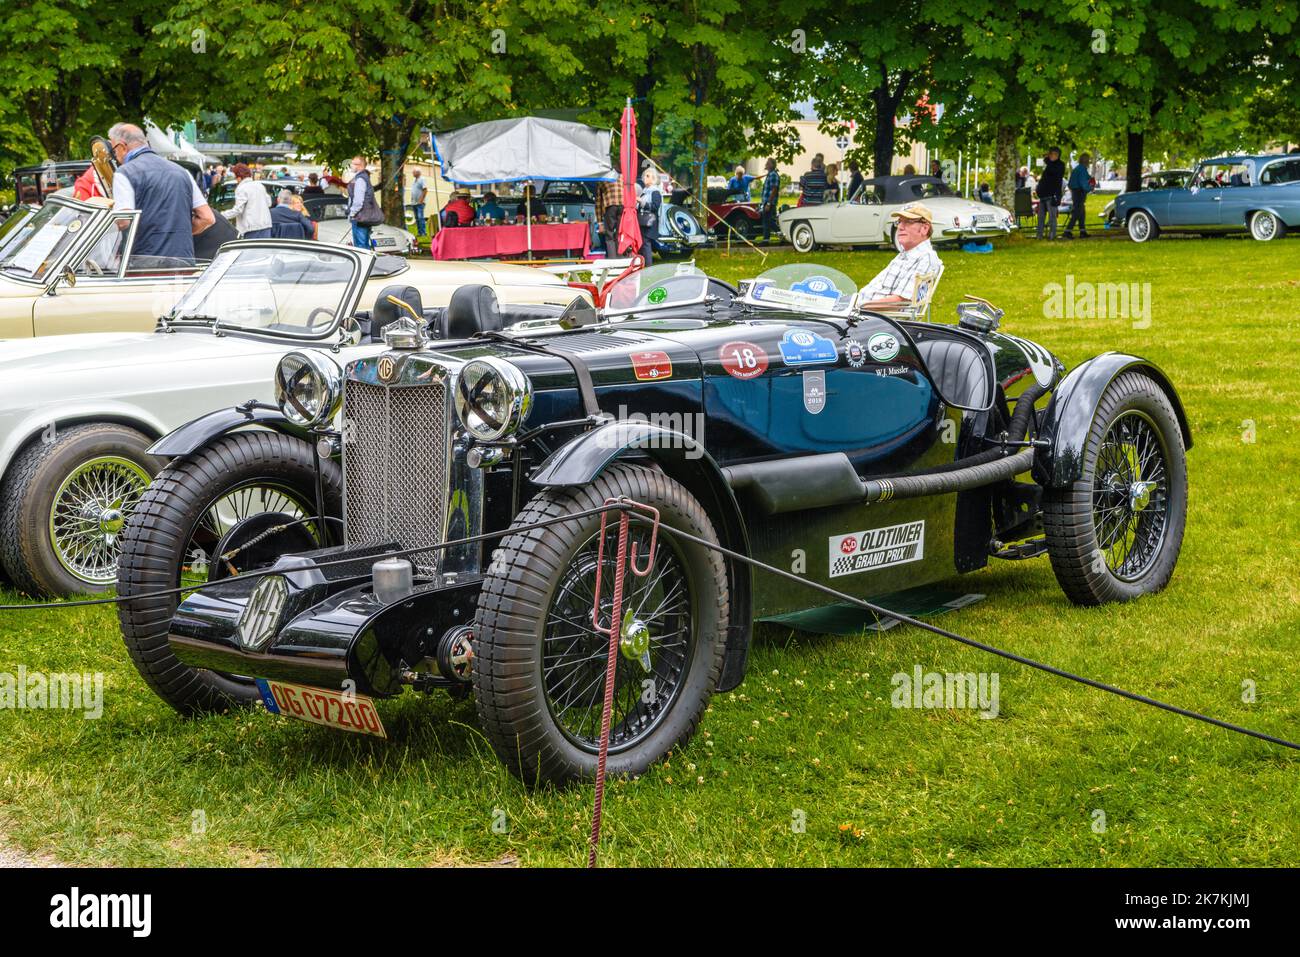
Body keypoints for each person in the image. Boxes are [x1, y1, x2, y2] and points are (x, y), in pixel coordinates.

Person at [107, 122, 215, 260]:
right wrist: (177, 234)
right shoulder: (182, 172)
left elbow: (123, 221)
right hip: (183, 260)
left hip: (143, 264)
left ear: (122, 147)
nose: (115, 156)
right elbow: (207, 218)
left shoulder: (124, 173)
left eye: (114, 151)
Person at [856, 203, 943, 309]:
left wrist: (856, 307)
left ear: (924, 228)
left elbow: (899, 302)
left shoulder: (926, 258)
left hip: (875, 318)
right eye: (899, 222)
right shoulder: (906, 254)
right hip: (863, 312)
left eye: (908, 222)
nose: (900, 227)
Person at [229, 162, 272, 238]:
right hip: (266, 225)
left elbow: (238, 210)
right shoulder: (260, 185)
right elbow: (269, 203)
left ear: (239, 177)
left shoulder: (241, 188)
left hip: (251, 228)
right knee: (264, 249)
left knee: (250, 250)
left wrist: (221, 215)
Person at [345, 156, 378, 249]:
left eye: (353, 163)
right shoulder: (365, 177)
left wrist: (352, 213)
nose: (351, 165)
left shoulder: (360, 179)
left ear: (359, 166)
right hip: (366, 216)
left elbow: (358, 201)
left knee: (360, 247)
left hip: (360, 217)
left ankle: (364, 263)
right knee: (364, 244)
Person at [1035, 146, 1066, 240]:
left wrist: (1048, 161)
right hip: (1043, 194)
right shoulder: (1049, 164)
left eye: (1051, 154)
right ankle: (1039, 235)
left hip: (1052, 194)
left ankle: (1052, 236)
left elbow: (1054, 174)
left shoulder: (1059, 165)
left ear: (1056, 155)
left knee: (1052, 217)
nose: (1050, 156)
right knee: (1041, 217)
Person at [1062, 151, 1093, 238]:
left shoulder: (1078, 168)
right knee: (1077, 213)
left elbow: (1085, 177)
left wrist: (1090, 178)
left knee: (1082, 212)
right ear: (1086, 161)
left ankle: (1082, 231)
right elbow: (1083, 183)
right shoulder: (1082, 169)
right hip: (1079, 192)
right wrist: (1090, 188)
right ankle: (1067, 231)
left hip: (1075, 192)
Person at [636, 167, 663, 265]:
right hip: (643, 221)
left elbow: (655, 207)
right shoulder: (644, 191)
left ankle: (648, 267)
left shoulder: (655, 192)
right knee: (643, 244)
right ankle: (642, 265)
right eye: (645, 176)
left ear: (653, 179)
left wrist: (641, 202)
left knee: (646, 244)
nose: (645, 178)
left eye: (648, 176)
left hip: (650, 223)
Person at [595, 178, 625, 254]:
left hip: (610, 206)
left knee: (609, 235)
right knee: (620, 234)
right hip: (623, 206)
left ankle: (612, 260)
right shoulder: (622, 176)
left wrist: (599, 222)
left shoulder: (602, 178)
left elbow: (598, 201)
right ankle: (620, 258)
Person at [759, 158, 781, 243]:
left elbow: (774, 190)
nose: (766, 164)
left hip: (770, 202)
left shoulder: (773, 175)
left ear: (772, 165)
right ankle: (767, 239)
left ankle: (768, 239)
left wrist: (768, 203)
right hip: (767, 202)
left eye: (768, 163)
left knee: (767, 221)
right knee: (767, 221)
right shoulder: (770, 174)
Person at [408, 171, 428, 236]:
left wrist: (421, 200)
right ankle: (419, 232)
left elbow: (425, 190)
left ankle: (423, 233)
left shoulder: (422, 179)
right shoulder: (415, 180)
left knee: (420, 217)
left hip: (420, 203)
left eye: (414, 172)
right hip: (414, 203)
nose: (412, 173)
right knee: (417, 218)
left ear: (418, 172)